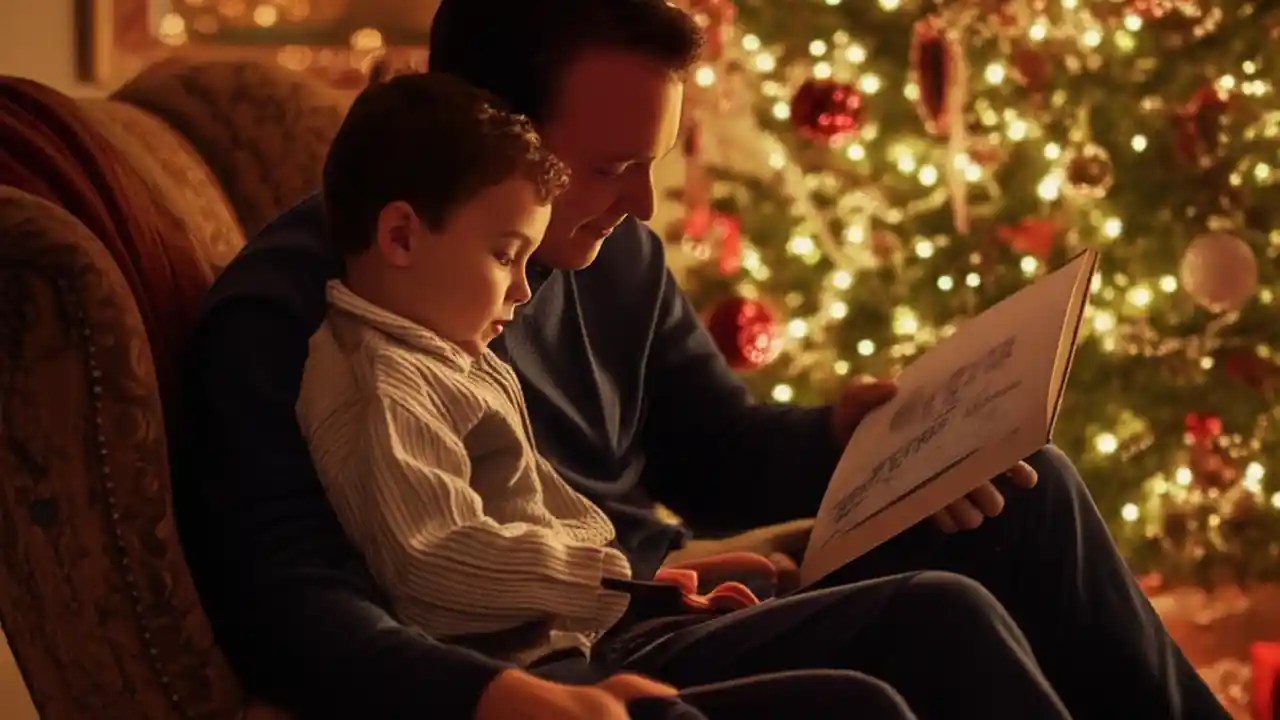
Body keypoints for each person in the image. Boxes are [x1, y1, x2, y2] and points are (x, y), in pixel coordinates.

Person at [174, 1, 1229, 718]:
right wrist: (498, 696)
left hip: (677, 589)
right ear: (484, 127)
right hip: (591, 633)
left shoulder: (610, 251)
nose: (639, 208)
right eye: (609, 166)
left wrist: (856, 433)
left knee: (1025, 499)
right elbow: (287, 600)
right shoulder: (312, 310)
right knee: (934, 622)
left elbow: (715, 451)